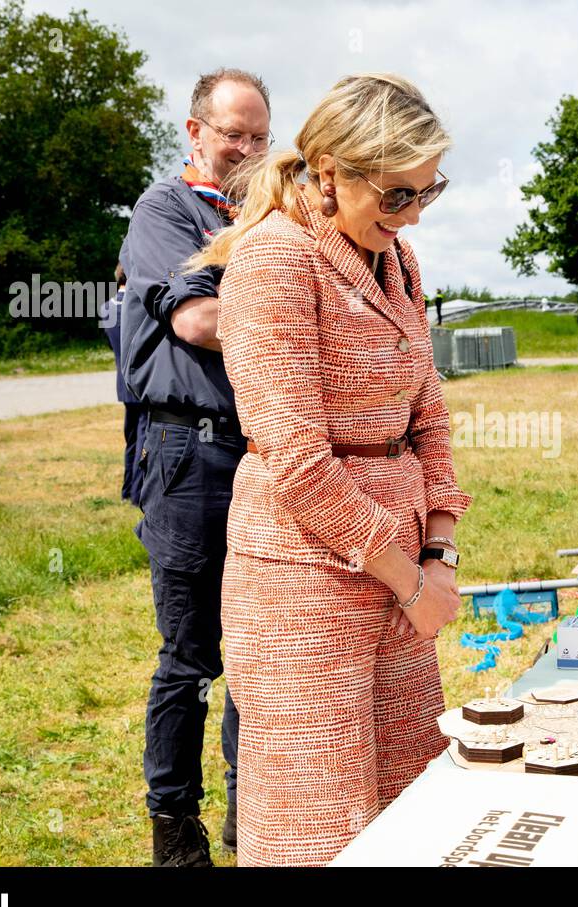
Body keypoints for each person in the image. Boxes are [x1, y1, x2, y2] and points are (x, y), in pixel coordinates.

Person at [189, 72, 469, 867]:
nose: (412, 215)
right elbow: (299, 461)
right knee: (317, 826)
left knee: (411, 802)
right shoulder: (277, 260)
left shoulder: (398, 261)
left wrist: (438, 553)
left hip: (404, 577)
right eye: (394, 195)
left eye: (426, 193)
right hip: (304, 583)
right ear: (328, 172)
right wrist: (413, 583)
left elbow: (430, 418)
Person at [118, 67, 273, 866]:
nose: (245, 149)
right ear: (195, 131)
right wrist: (294, 319)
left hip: (260, 449)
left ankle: (259, 820)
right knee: (193, 652)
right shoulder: (165, 210)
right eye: (232, 134)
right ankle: (175, 832)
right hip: (185, 448)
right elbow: (200, 320)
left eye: (259, 137)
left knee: (256, 643)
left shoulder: (266, 214)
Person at [99, 264, 147, 506]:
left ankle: (127, 489)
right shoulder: (138, 306)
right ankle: (137, 494)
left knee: (130, 441)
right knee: (142, 439)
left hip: (123, 383)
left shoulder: (106, 308)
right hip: (143, 382)